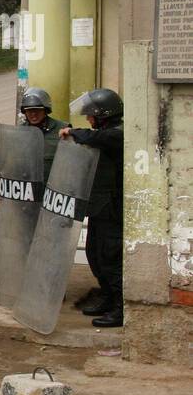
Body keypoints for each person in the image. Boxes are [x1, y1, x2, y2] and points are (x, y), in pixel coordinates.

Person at [60, 88, 124, 328]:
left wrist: (72, 132)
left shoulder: (117, 134)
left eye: (91, 115)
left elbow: (94, 138)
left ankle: (121, 308)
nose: (88, 119)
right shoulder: (107, 132)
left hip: (113, 210)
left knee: (110, 259)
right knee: (95, 255)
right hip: (101, 209)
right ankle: (107, 298)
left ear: (103, 114)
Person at [17, 86, 70, 197]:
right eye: (29, 111)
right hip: (26, 191)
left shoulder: (63, 129)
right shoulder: (19, 132)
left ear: (45, 110)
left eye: (37, 110)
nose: (33, 114)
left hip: (54, 191)